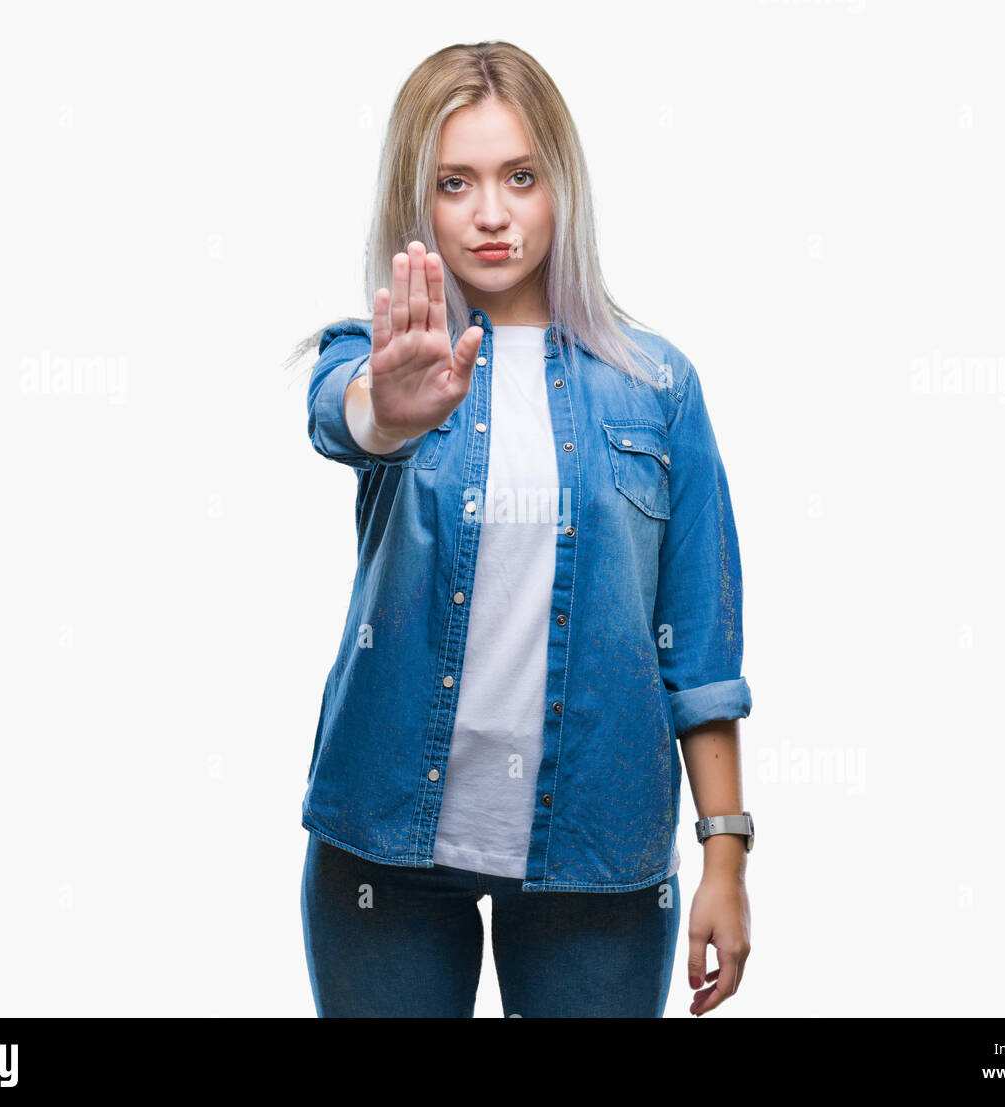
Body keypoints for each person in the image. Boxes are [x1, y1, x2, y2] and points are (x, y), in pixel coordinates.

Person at [290, 41, 754, 1018]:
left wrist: (724, 848)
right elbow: (344, 415)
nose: (491, 213)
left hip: (597, 854)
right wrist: (392, 410)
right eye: (454, 182)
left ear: (561, 188)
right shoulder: (382, 357)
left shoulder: (656, 386)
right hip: (384, 850)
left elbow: (700, 647)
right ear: (415, 200)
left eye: (519, 177)